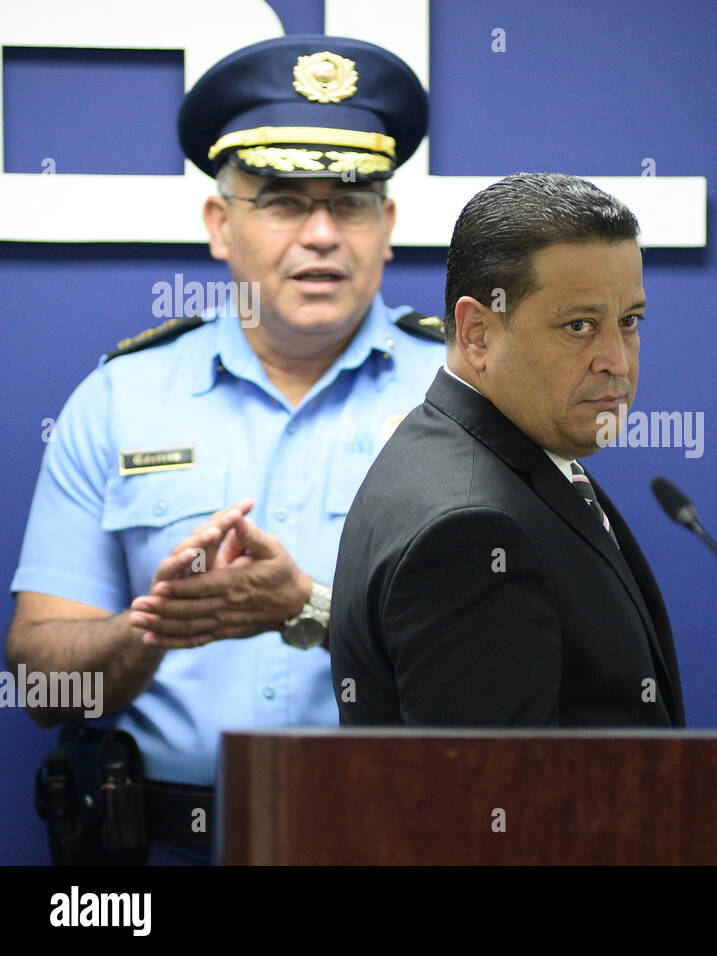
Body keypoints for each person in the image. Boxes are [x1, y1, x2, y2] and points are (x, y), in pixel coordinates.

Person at [6, 35, 446, 864]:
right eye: (282, 199)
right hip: (157, 849)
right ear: (220, 223)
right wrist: (149, 632)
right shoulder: (118, 397)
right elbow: (38, 682)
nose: (321, 234)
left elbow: (516, 662)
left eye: (350, 201)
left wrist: (311, 606)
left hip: (398, 834)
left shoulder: (468, 401)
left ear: (387, 226)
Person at [331, 172, 685, 728]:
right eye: (579, 325)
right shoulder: (472, 530)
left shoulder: (465, 448)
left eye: (629, 321)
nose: (616, 359)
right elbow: (492, 807)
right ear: (477, 333)